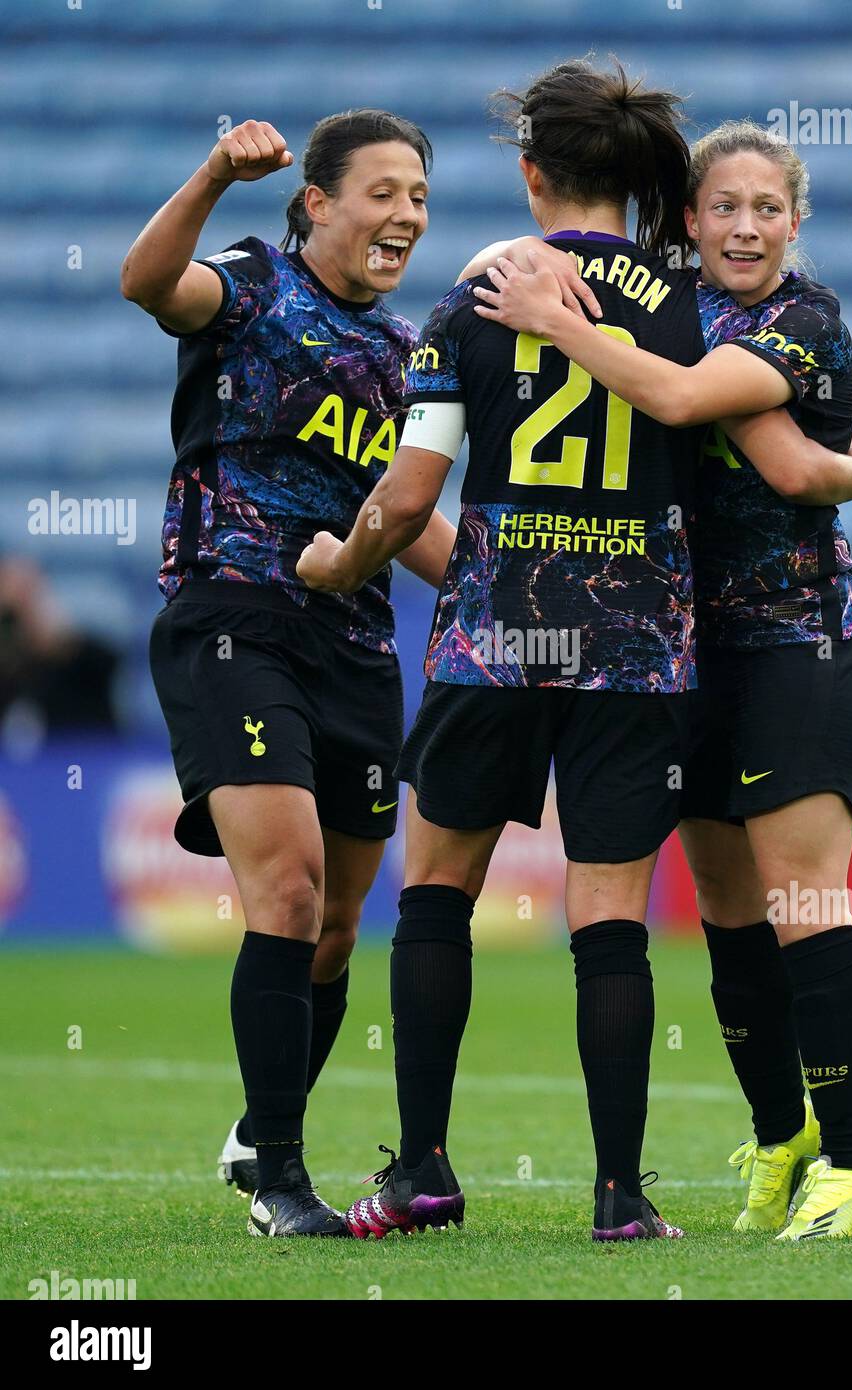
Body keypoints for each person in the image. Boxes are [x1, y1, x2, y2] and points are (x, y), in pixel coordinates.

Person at [297, 64, 852, 1242]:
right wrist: (849, 466)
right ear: (658, 183)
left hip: (495, 633)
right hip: (638, 645)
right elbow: (775, 448)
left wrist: (342, 567)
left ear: (529, 173)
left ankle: (425, 1172)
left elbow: (407, 500)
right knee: (609, 908)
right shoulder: (694, 301)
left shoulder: (478, 300)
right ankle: (620, 1195)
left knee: (436, 895)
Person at [473, 118, 852, 1242]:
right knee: (727, 911)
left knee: (805, 900)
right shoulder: (664, 301)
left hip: (796, 638)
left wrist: (561, 323)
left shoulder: (803, 319)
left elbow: (678, 404)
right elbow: (509, 270)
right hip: (675, 649)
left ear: (796, 221)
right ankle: (782, 1136)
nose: (745, 226)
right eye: (722, 207)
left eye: (767, 208)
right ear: (687, 219)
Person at [121, 111, 456, 1237]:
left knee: (336, 924)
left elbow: (404, 517)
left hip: (354, 646)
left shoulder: (408, 352)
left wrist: (519, 600)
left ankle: (258, 1128)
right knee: (292, 888)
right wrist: (215, 167)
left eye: (418, 194)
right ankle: (281, 1182)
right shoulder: (254, 287)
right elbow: (144, 283)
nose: (405, 213)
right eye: (382, 191)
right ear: (316, 202)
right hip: (236, 616)